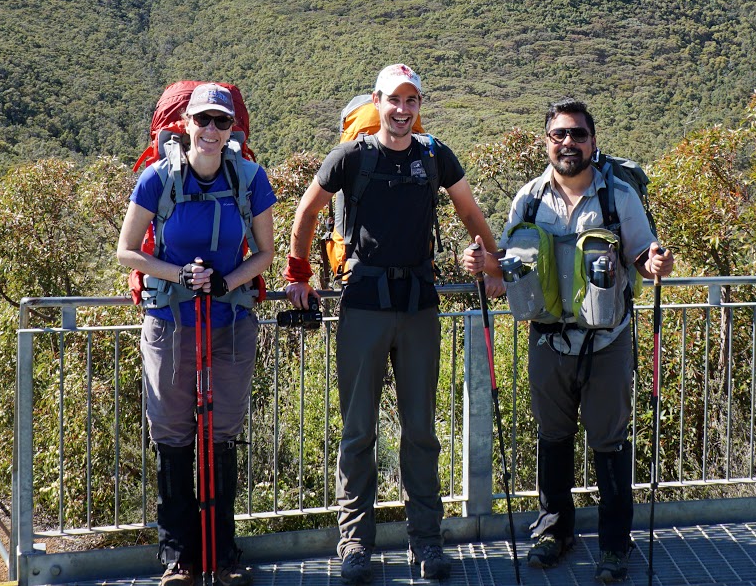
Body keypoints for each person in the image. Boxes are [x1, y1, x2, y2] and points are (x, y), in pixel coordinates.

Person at [283, 64, 499, 584]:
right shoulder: (352, 157)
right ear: (377, 101)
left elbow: (469, 212)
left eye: (411, 100)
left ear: (419, 104)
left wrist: (492, 262)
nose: (402, 110)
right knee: (358, 431)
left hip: (420, 303)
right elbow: (306, 212)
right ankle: (355, 542)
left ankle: (427, 542)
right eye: (394, 100)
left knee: (420, 432)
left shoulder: (434, 155)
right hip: (363, 303)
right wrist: (297, 273)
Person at [462, 98, 673, 584]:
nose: (568, 143)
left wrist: (656, 263)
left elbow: (643, 256)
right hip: (548, 342)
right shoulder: (529, 199)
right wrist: (481, 264)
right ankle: (553, 532)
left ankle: (616, 546)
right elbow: (508, 261)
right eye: (559, 135)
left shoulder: (618, 197)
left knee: (609, 443)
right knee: (552, 439)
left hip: (608, 342)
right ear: (547, 142)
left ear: (593, 142)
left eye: (577, 134)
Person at [115, 83, 277, 586]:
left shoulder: (250, 179)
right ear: (184, 125)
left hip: (229, 320)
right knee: (173, 434)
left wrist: (226, 281)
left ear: (233, 129)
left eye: (220, 122)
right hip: (170, 323)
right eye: (202, 121)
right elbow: (126, 252)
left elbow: (264, 254)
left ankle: (222, 552)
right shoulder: (156, 179)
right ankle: (179, 555)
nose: (210, 131)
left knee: (222, 433)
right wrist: (180, 274)